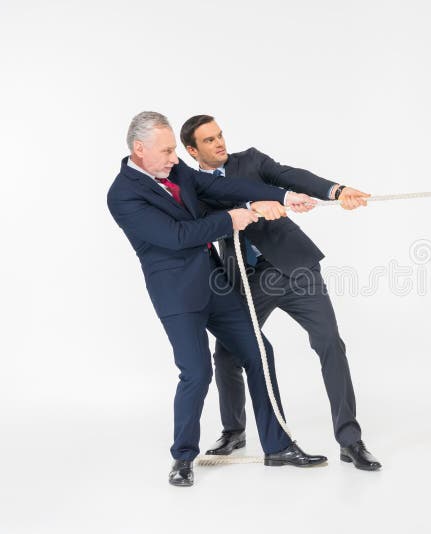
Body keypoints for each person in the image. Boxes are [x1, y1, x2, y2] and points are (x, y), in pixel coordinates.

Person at [107, 111, 328, 487]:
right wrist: (234, 219)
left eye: (175, 149)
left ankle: (278, 447)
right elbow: (177, 235)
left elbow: (222, 189)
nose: (175, 158)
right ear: (139, 149)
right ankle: (182, 458)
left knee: (259, 352)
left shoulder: (175, 171)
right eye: (166, 151)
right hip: (178, 295)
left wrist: (282, 196)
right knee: (197, 373)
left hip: (216, 283)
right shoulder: (122, 195)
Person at [179, 114, 382, 471]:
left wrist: (337, 191)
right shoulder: (195, 186)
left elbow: (292, 177)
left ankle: (350, 440)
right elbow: (209, 217)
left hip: (296, 267)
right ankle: (234, 431)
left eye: (220, 135)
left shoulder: (252, 161)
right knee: (227, 353)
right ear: (192, 150)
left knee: (329, 343)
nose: (220, 143)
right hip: (249, 279)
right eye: (209, 141)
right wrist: (248, 208)